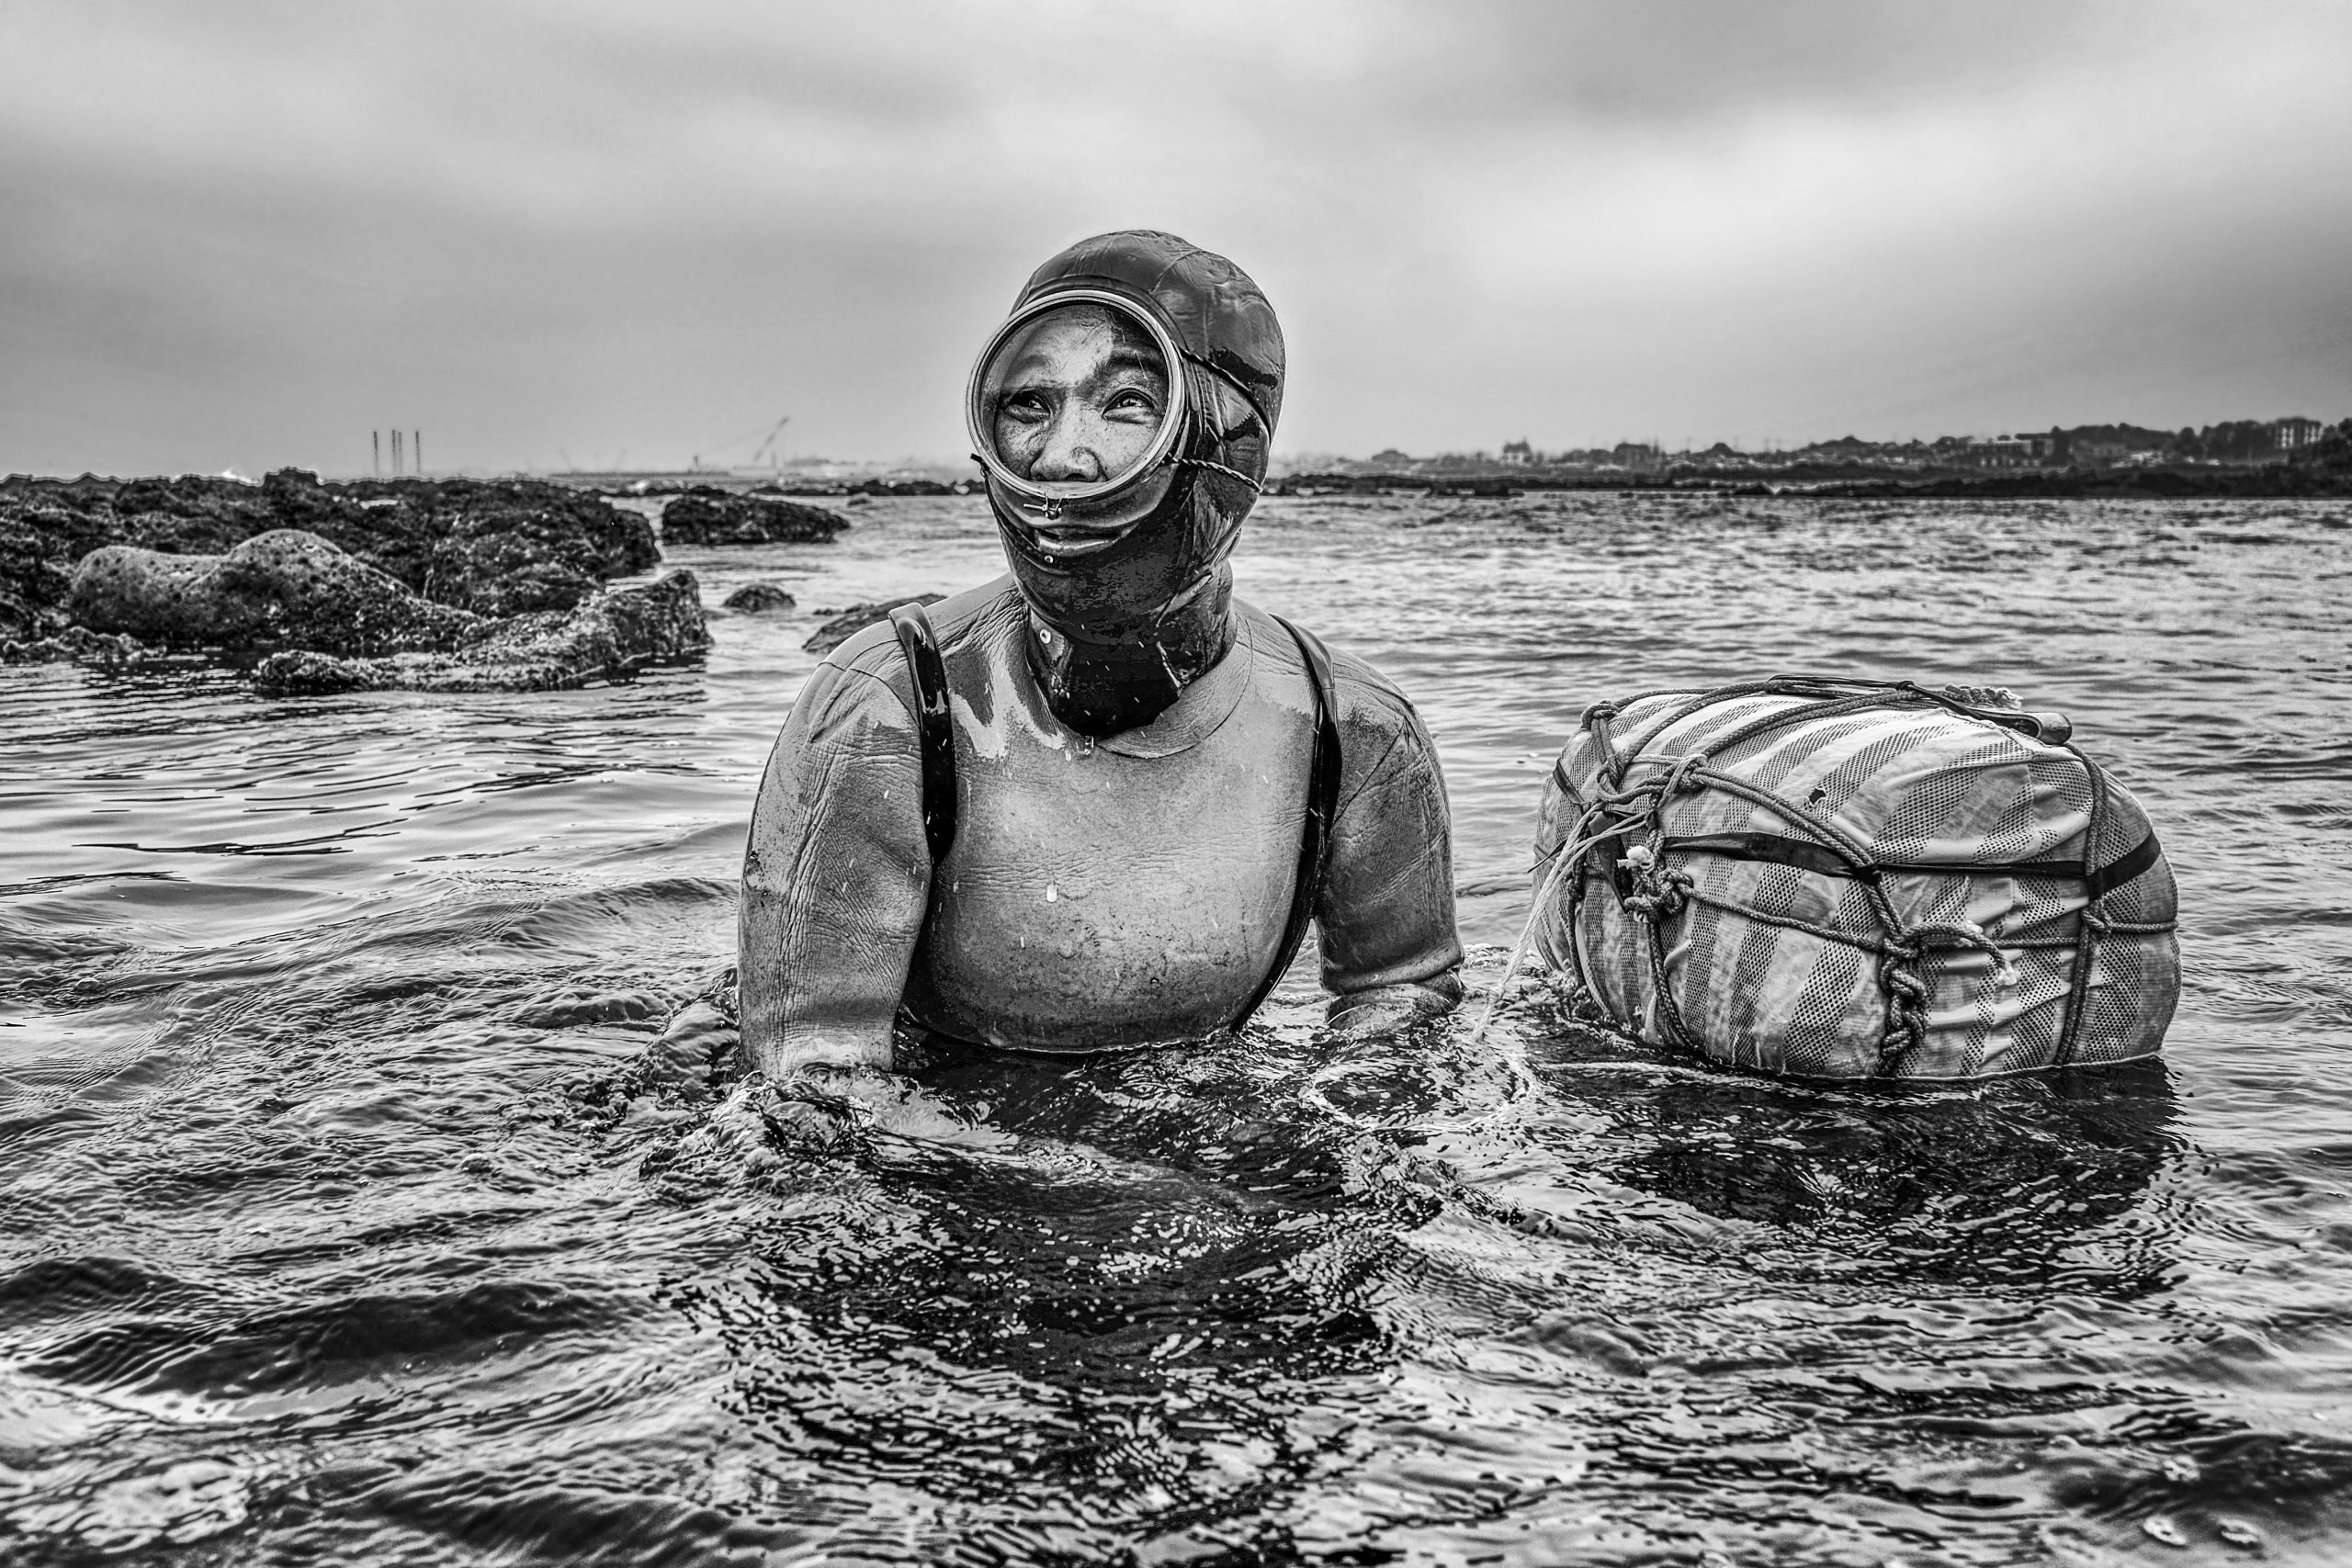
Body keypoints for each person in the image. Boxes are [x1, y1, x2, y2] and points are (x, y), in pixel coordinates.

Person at [736, 231, 1461, 1134]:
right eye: (1028, 403)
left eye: (1126, 403)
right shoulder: (886, 706)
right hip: (950, 1129)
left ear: (1230, 446)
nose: (1059, 457)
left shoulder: (1352, 732)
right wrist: (1078, 1195)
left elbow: (1399, 1006)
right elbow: (812, 1092)